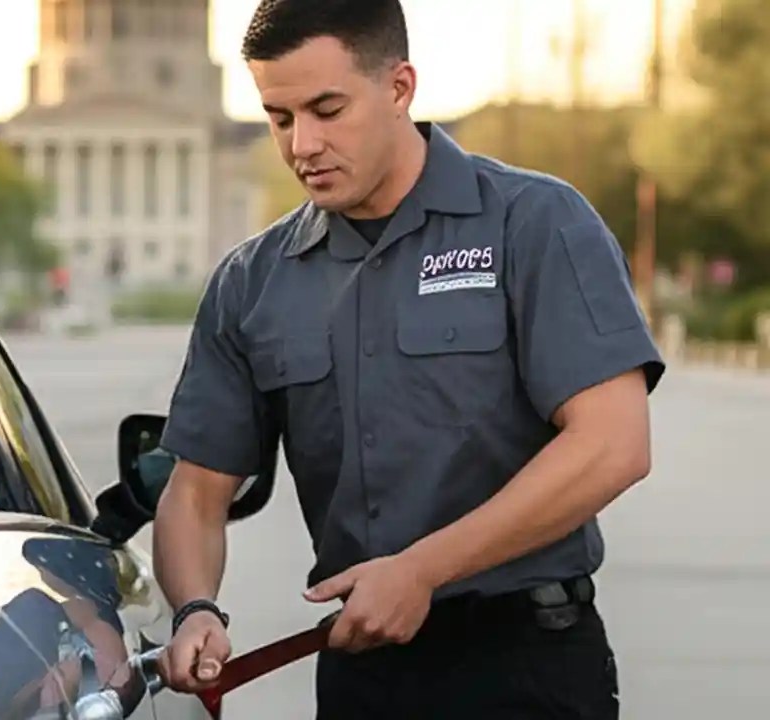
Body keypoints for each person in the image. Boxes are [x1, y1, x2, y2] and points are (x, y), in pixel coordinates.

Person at [150, 0, 665, 717]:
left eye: (328, 109)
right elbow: (197, 492)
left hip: (527, 665)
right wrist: (195, 610)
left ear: (399, 88)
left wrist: (423, 570)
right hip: (365, 677)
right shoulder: (251, 283)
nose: (303, 145)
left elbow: (614, 444)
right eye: (280, 117)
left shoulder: (535, 223)